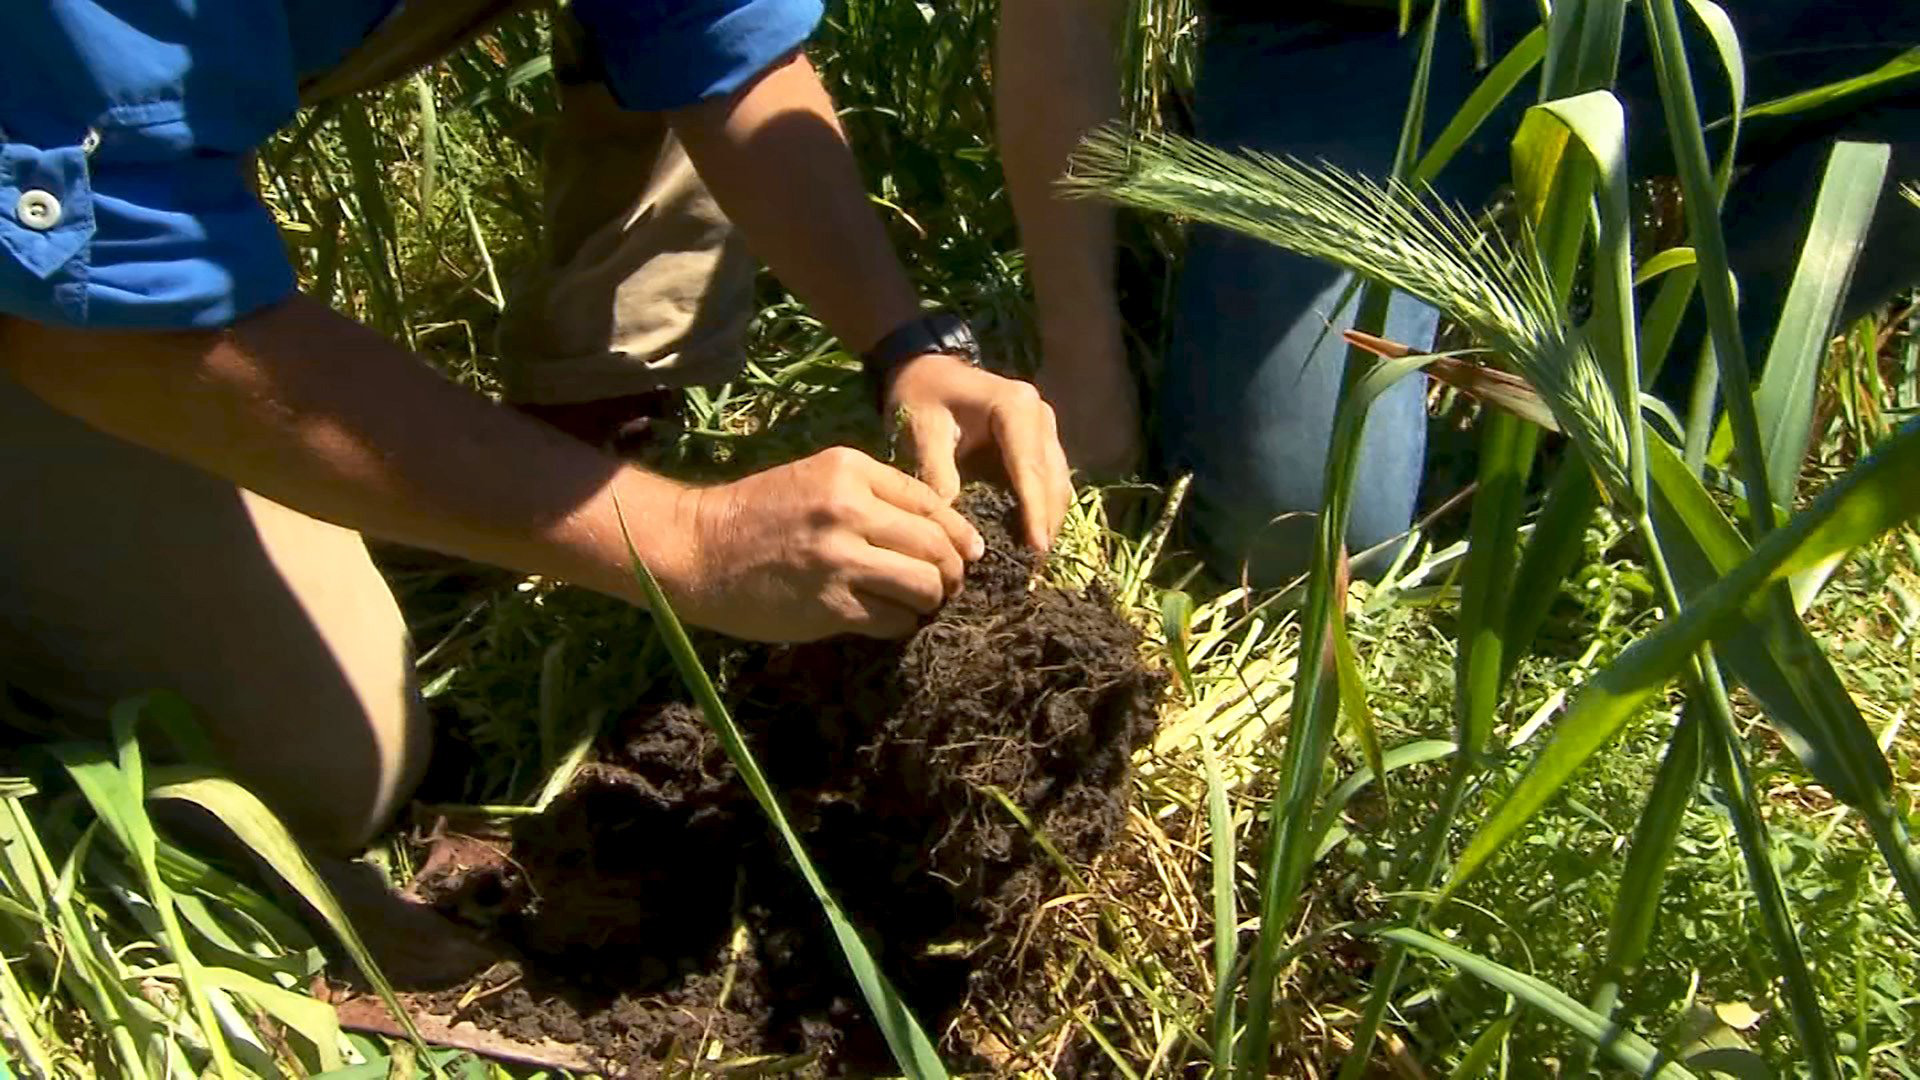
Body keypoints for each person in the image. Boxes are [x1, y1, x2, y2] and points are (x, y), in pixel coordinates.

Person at [0, 0, 1073, 910]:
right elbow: (102, 324)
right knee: (325, 764)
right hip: (51, 247)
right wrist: (686, 540)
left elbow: (721, 33)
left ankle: (540, 463)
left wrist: (908, 349)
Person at [994, 0, 1920, 586]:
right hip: (1353, 40)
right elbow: (1058, 17)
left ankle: (1635, 422)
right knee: (1304, 539)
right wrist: (1084, 363)